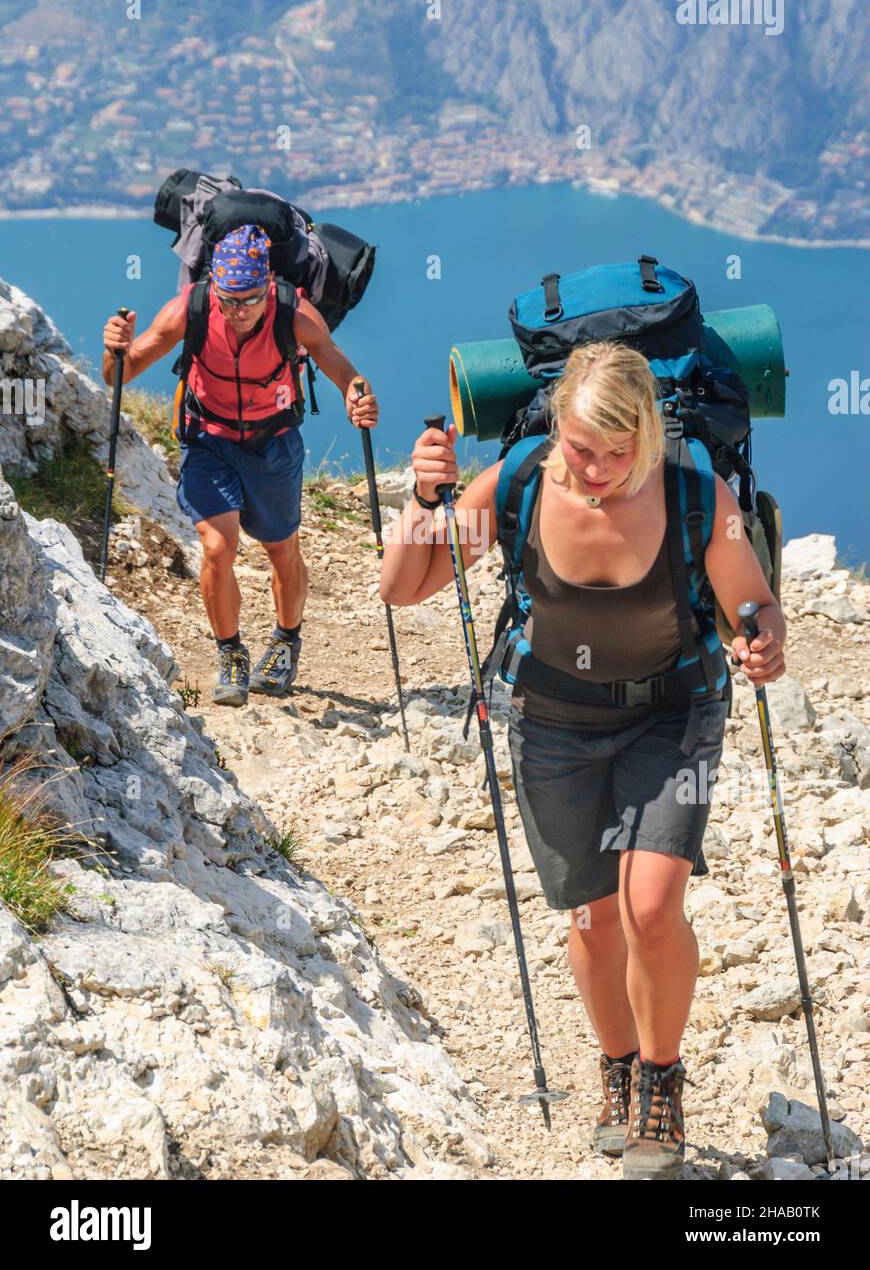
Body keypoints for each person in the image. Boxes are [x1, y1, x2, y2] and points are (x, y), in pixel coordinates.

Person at [379, 340, 786, 1180]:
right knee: (595, 920)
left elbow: (752, 601)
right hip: (551, 721)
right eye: (580, 447)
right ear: (557, 427)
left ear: (646, 434)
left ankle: (661, 1088)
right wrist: (423, 499)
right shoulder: (522, 480)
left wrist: (762, 639)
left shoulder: (695, 495)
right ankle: (618, 1067)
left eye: (616, 450)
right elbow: (406, 584)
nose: (597, 468)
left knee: (648, 904)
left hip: (674, 716)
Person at [102, 223, 379, 707]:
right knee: (216, 545)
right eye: (229, 299)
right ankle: (230, 652)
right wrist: (114, 348)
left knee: (281, 551)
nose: (238, 311)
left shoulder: (294, 312)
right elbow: (119, 375)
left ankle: (287, 639)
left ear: (268, 284)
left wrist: (357, 398)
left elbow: (339, 366)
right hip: (209, 441)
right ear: (215, 286)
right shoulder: (188, 309)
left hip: (273, 442)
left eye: (249, 299)